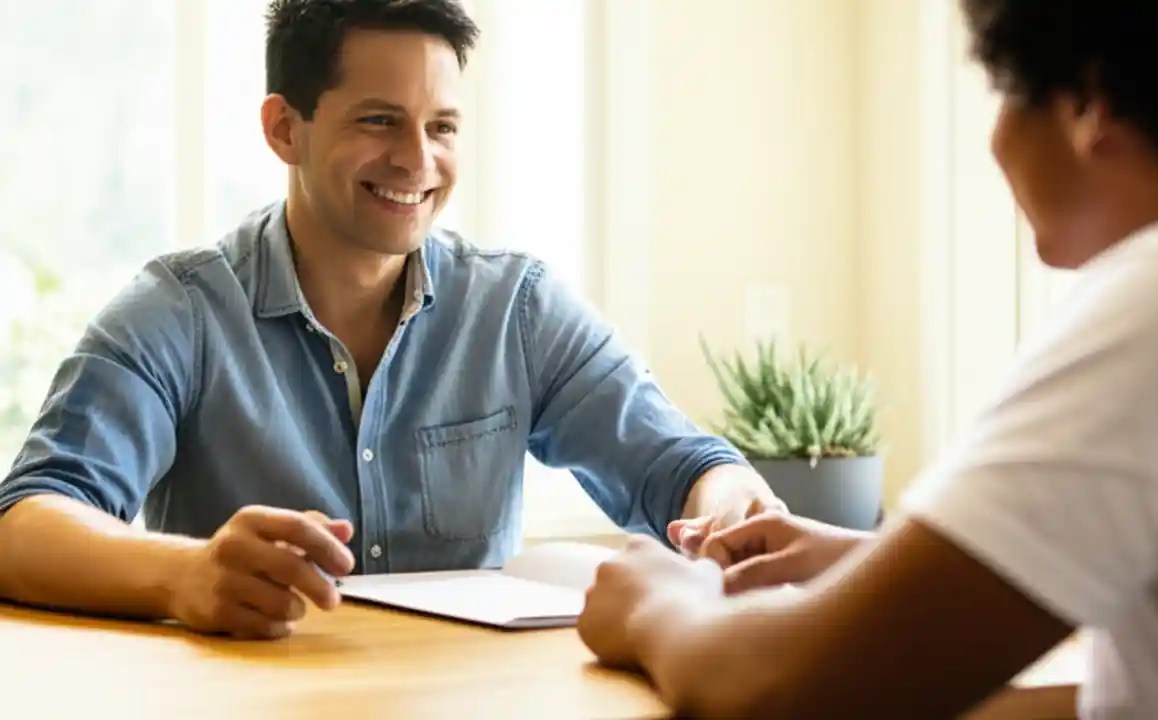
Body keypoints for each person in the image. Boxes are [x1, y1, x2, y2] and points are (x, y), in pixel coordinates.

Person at [577, 0, 1158, 717]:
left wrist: (656, 603)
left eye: (1004, 92)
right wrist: (876, 570)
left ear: (1089, 104)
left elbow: (777, 686)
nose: (996, 137)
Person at [0, 0, 779, 641]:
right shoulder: (179, 311)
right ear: (284, 129)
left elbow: (681, 467)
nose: (418, 160)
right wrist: (187, 573)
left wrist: (733, 508)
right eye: (379, 121)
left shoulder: (519, 308)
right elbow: (24, 522)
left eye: (442, 126)